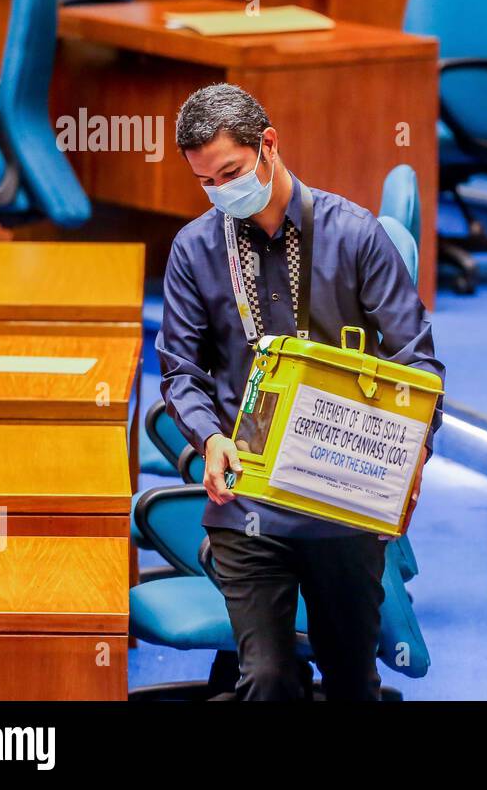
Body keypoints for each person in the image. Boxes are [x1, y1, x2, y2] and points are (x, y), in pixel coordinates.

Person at [156, 83, 443, 700]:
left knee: (351, 681)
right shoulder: (195, 249)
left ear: (269, 146)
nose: (221, 192)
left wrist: (409, 462)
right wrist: (208, 438)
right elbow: (181, 371)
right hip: (248, 499)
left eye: (230, 173)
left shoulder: (356, 236)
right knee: (266, 677)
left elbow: (417, 363)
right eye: (206, 183)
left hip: (341, 500)